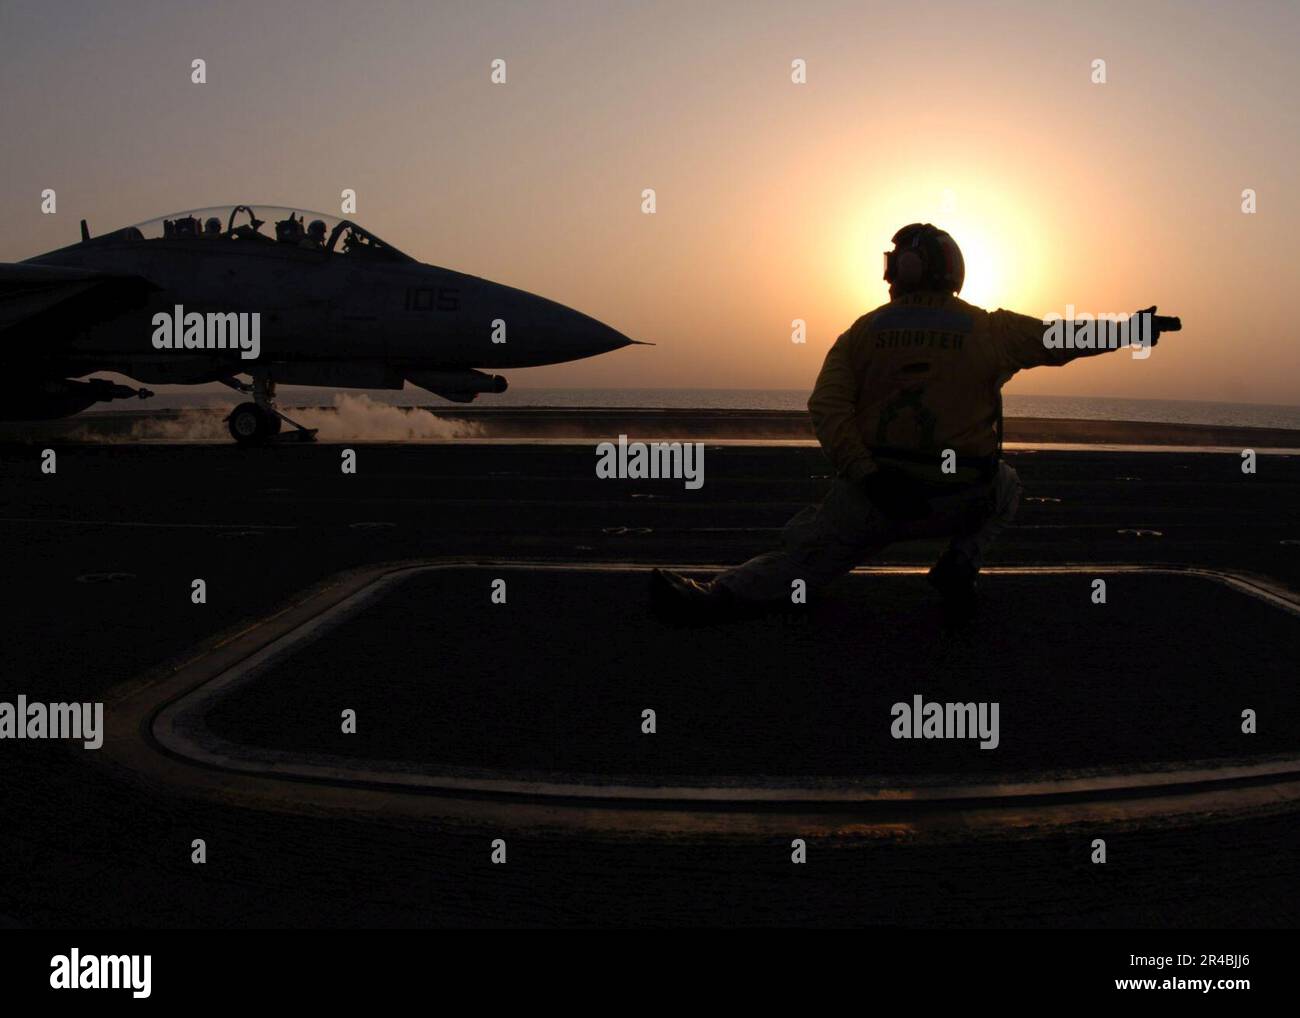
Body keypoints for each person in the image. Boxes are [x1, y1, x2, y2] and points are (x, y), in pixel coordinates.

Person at [651, 223, 1180, 624]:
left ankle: (715, 595)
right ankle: (958, 567)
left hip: (876, 497)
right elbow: (1064, 338)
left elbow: (828, 408)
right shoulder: (988, 329)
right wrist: (1136, 328)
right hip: (962, 493)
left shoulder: (860, 333)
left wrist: (865, 475)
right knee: (1008, 485)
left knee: (799, 566)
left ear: (901, 269)